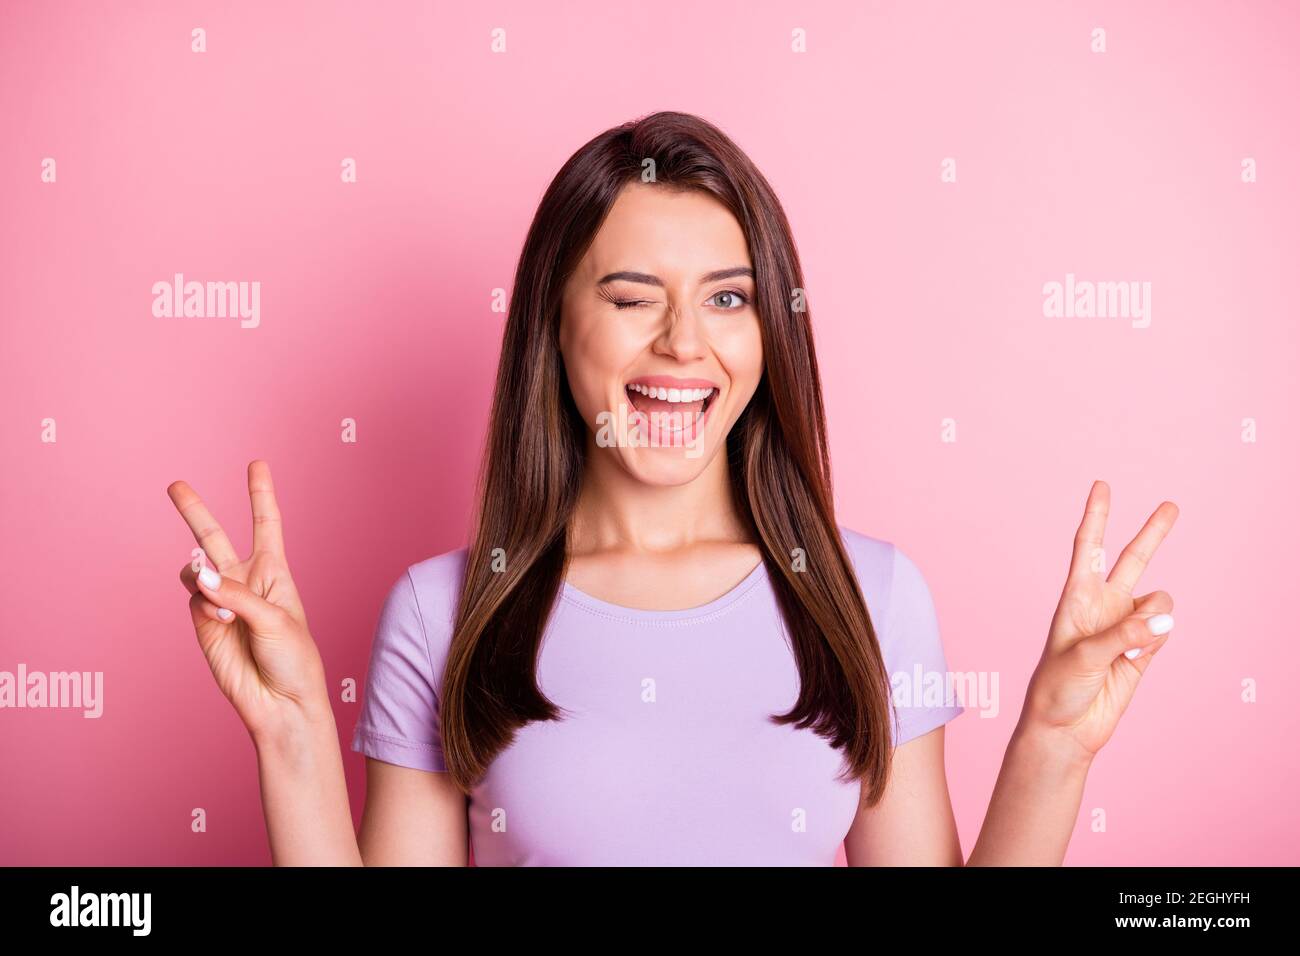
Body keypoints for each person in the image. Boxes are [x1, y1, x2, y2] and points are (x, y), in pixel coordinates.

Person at [165, 112, 1178, 865]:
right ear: (552, 328)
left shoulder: (872, 597)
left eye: (727, 298)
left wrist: (1050, 737)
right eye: (630, 296)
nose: (684, 342)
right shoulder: (443, 611)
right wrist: (292, 732)